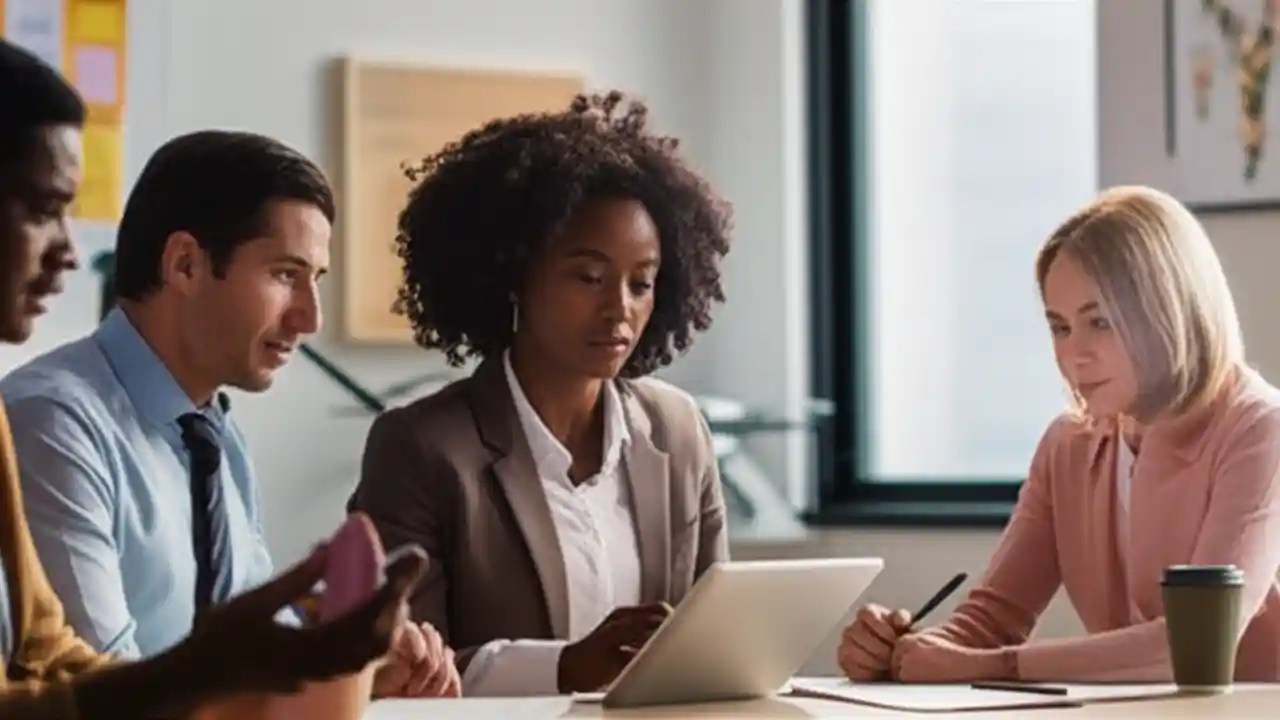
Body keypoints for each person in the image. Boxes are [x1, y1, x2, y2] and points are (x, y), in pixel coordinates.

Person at [0, 37, 431, 718]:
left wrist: (344, 666)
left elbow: (222, 663)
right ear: (185, 265)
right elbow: (98, 676)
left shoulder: (213, 439)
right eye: (286, 275)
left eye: (315, 281)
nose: (311, 316)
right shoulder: (49, 420)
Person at [348, 91, 735, 695]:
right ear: (513, 277)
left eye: (642, 283)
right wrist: (564, 667)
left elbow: (718, 635)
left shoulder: (678, 430)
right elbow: (397, 668)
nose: (620, 310)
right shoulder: (422, 447)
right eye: (589, 277)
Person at [838, 185, 1280, 683]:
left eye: (1100, 322)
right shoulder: (1067, 445)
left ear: (1169, 310)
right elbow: (990, 622)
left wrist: (993, 665)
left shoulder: (1259, 428)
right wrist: (898, 649)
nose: (1074, 354)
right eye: (1060, 327)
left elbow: (1190, 646)